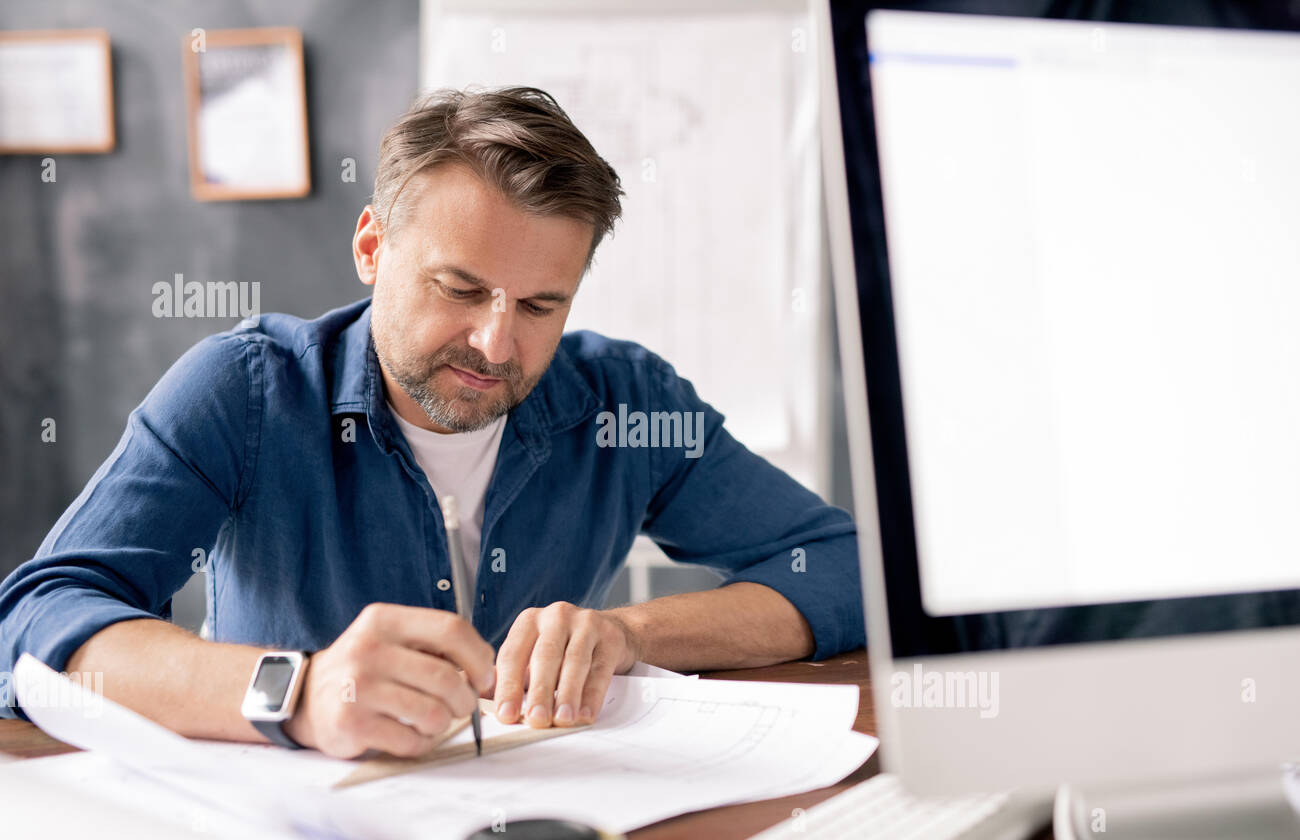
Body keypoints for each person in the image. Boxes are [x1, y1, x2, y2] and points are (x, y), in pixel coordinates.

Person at [0, 87, 864, 758]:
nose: (496, 342)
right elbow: (32, 622)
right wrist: (299, 694)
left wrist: (629, 635)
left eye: (539, 304)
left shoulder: (625, 405)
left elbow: (845, 569)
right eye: (460, 289)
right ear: (373, 249)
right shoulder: (244, 393)